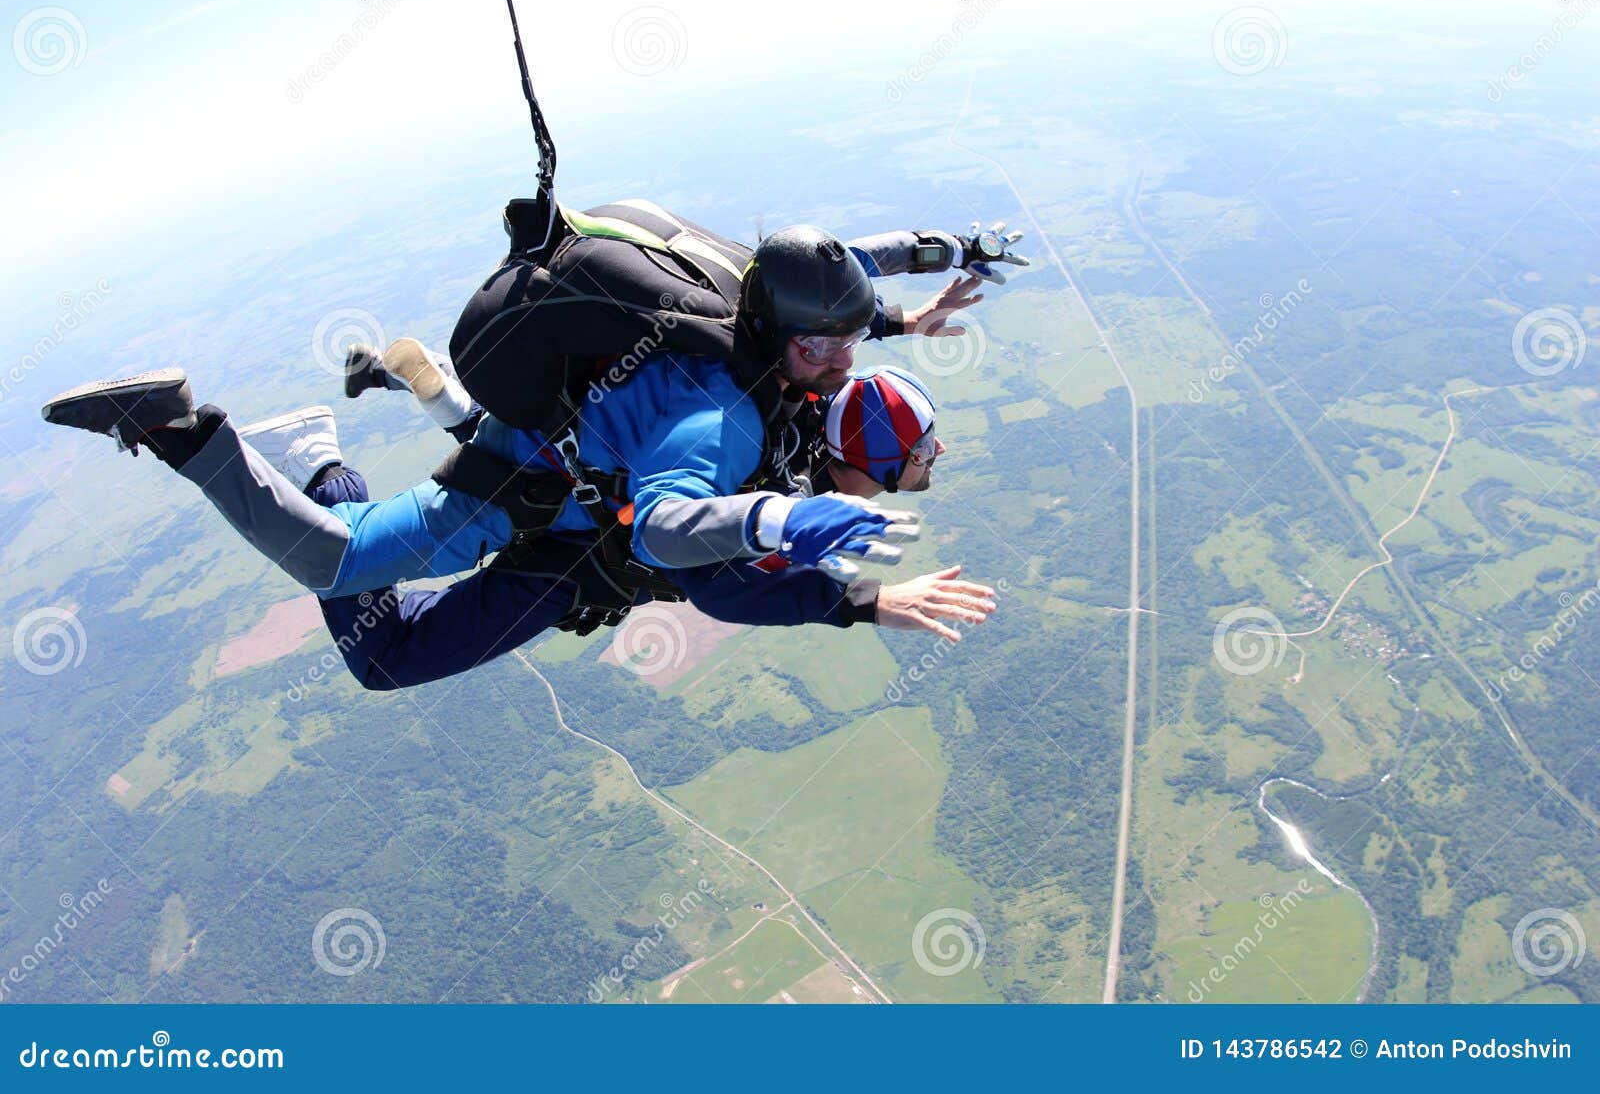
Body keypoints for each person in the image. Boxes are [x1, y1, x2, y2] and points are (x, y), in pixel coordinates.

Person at [42, 198, 1025, 609]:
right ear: (790, 335)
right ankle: (178, 426)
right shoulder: (715, 410)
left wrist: (950, 251)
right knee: (339, 561)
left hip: (570, 405)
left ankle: (391, 399)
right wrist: (776, 514)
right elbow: (668, 528)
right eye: (835, 343)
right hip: (528, 465)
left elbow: (862, 260)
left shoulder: (752, 274)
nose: (846, 354)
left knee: (377, 505)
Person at [241, 349, 986, 690]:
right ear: (878, 463)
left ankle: (452, 405)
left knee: (503, 481)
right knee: (387, 655)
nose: (937, 453)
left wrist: (924, 278)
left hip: (568, 474)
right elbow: (717, 588)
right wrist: (869, 602)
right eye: (922, 451)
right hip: (571, 561)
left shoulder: (791, 401)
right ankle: (319, 466)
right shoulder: (777, 482)